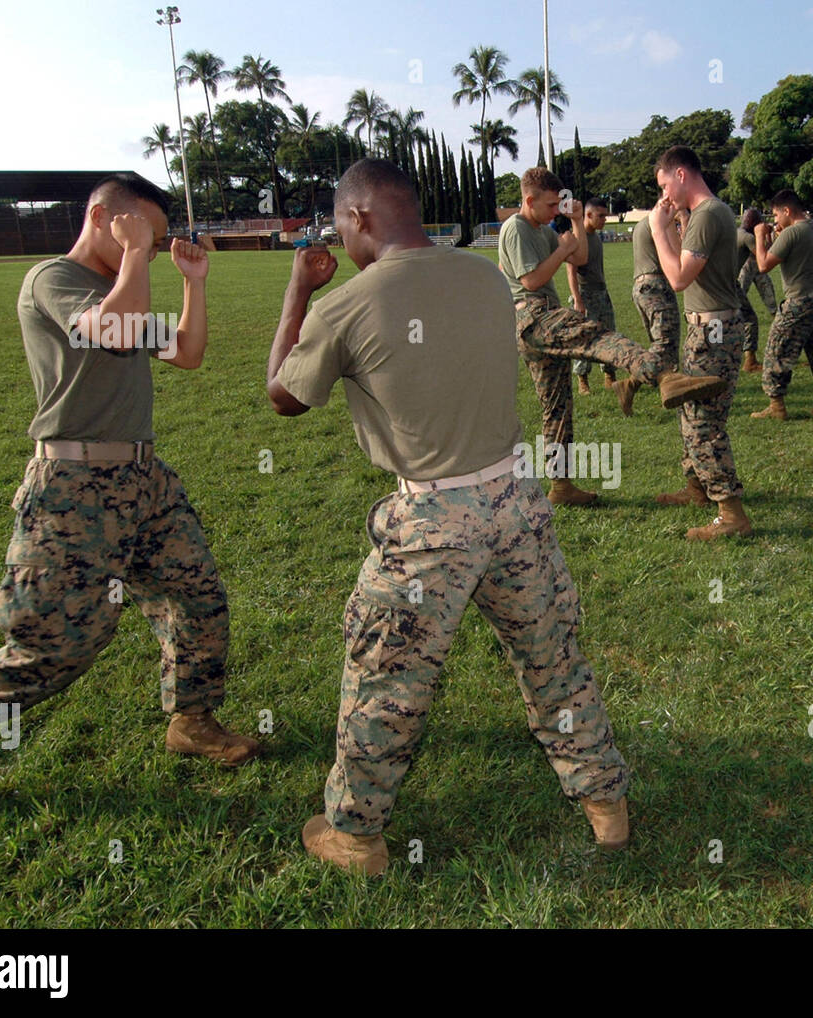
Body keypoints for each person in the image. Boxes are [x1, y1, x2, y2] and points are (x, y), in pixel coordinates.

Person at [266, 159, 633, 876]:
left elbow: (283, 395)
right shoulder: (482, 276)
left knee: (386, 679)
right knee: (554, 661)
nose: (341, 239)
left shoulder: (346, 302)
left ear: (362, 216)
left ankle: (356, 835)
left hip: (434, 521)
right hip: (517, 499)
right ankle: (605, 804)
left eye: (342, 225)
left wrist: (298, 293)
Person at [0, 173, 259, 786]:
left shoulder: (119, 289)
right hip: (73, 487)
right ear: (105, 217)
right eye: (147, 236)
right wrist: (135, 257)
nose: (155, 250)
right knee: (61, 641)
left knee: (197, 595)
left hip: (143, 479)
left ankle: (192, 720)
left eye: (157, 243)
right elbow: (105, 333)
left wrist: (193, 283)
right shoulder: (54, 279)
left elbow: (186, 351)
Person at [498, 166, 725, 507]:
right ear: (528, 200)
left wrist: (575, 223)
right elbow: (531, 280)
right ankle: (662, 375)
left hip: (537, 318)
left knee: (557, 407)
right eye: (549, 206)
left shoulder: (540, 228)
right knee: (595, 336)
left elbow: (582, 256)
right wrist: (560, 250)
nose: (553, 212)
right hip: (534, 315)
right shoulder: (516, 227)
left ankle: (561, 487)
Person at [650, 146, 752, 539]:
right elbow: (685, 262)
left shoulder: (709, 213)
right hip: (709, 330)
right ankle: (698, 489)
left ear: (680, 174)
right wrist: (675, 222)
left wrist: (658, 228)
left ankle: (731, 515)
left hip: (714, 332)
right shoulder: (704, 215)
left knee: (703, 425)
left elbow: (677, 279)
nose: (664, 195)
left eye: (664, 185)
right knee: (692, 414)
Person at [750, 191, 813, 421]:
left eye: (776, 214)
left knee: (776, 353)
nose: (776, 220)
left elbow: (763, 265)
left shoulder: (791, 233)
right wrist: (779, 236)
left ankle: (776, 406)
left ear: (787, 211)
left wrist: (759, 235)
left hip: (800, 302)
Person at [569, 197, 618, 395]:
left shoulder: (597, 237)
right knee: (584, 339)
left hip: (601, 292)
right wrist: (577, 300)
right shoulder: (577, 237)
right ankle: (583, 380)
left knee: (609, 335)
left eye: (605, 215)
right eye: (601, 216)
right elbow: (570, 272)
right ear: (587, 215)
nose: (604, 219)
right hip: (585, 294)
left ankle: (609, 374)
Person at [630, 214, 680, 376]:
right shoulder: (663, 221)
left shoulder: (642, 223)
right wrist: (684, 222)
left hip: (641, 287)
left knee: (658, 339)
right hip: (656, 286)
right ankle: (632, 382)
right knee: (665, 341)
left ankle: (666, 379)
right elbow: (679, 255)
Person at [736, 208, 775, 373]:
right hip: (730, 284)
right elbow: (765, 258)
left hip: (721, 281)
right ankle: (749, 362)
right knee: (750, 319)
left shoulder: (737, 232)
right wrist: (765, 235)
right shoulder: (748, 238)